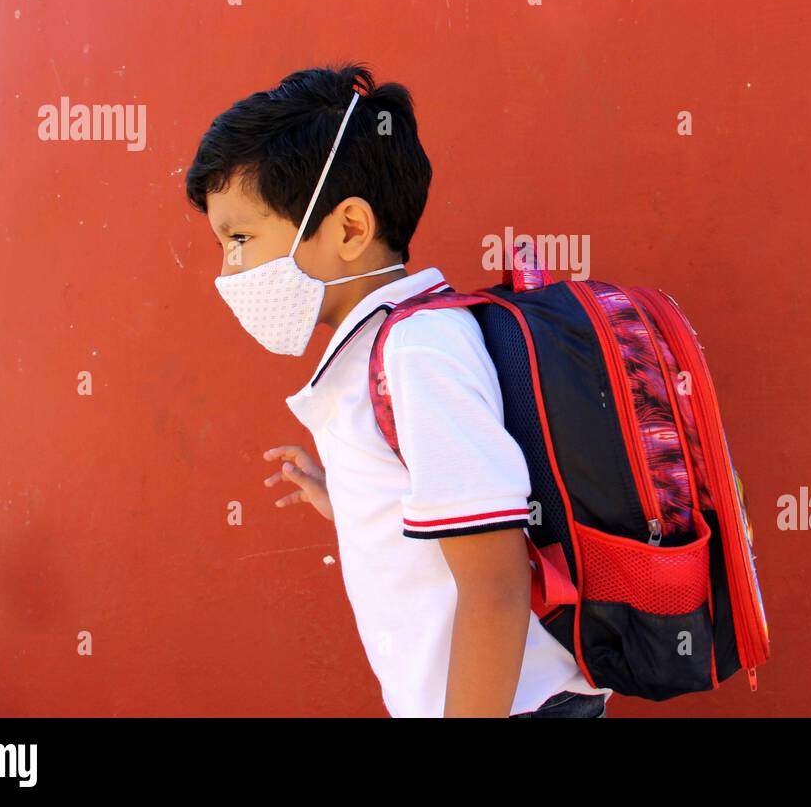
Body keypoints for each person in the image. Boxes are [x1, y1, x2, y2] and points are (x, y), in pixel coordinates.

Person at [185, 62, 612, 718]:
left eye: (240, 238)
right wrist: (353, 500)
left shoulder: (417, 352)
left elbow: (496, 582)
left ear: (351, 229)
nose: (227, 270)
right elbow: (438, 518)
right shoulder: (382, 350)